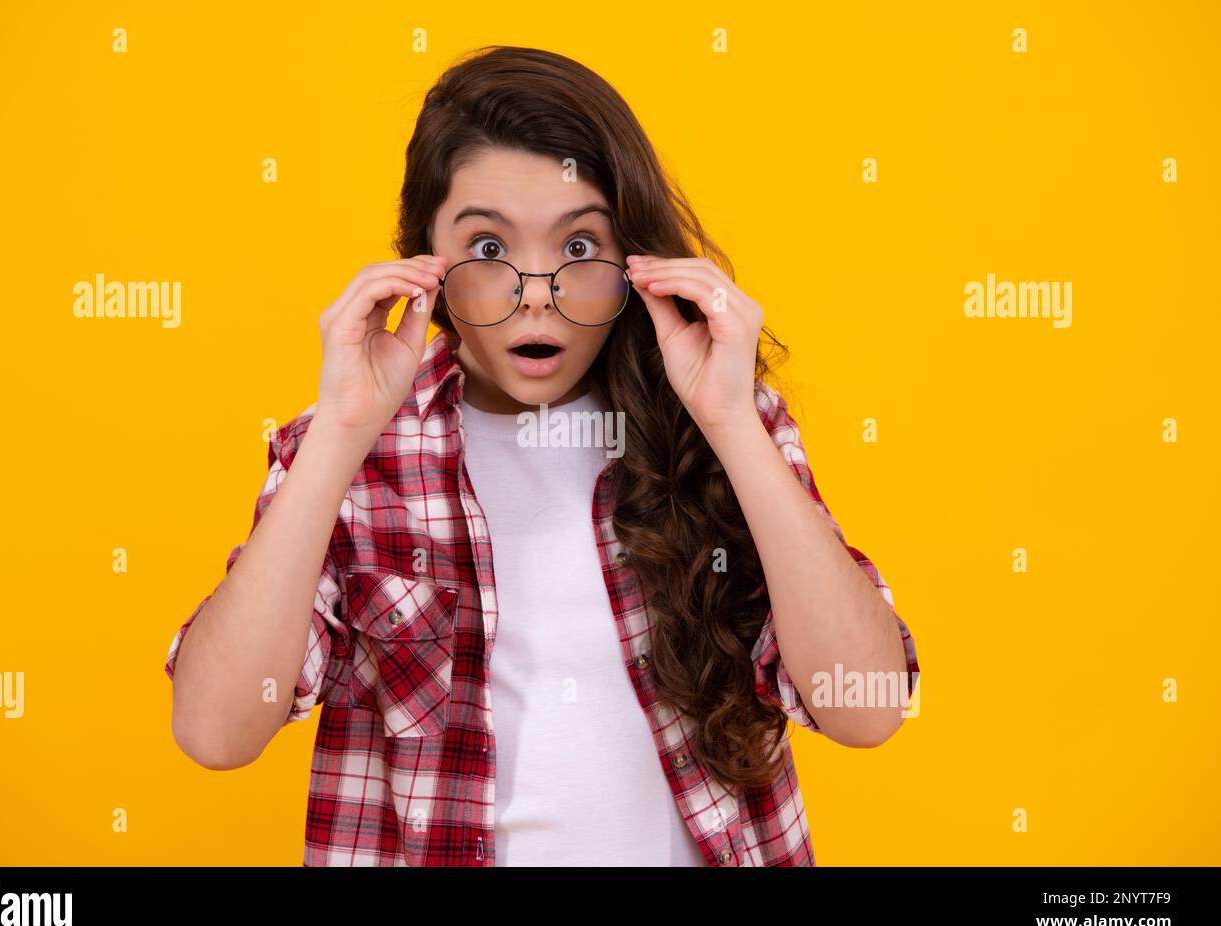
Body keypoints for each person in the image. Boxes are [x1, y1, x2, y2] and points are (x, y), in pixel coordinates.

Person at [164, 45, 919, 867]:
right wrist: (342, 431)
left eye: (578, 247)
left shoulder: (723, 428)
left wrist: (732, 421)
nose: (533, 290)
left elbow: (868, 711)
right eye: (488, 249)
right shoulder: (349, 454)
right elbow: (214, 732)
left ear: (633, 262)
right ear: (425, 262)